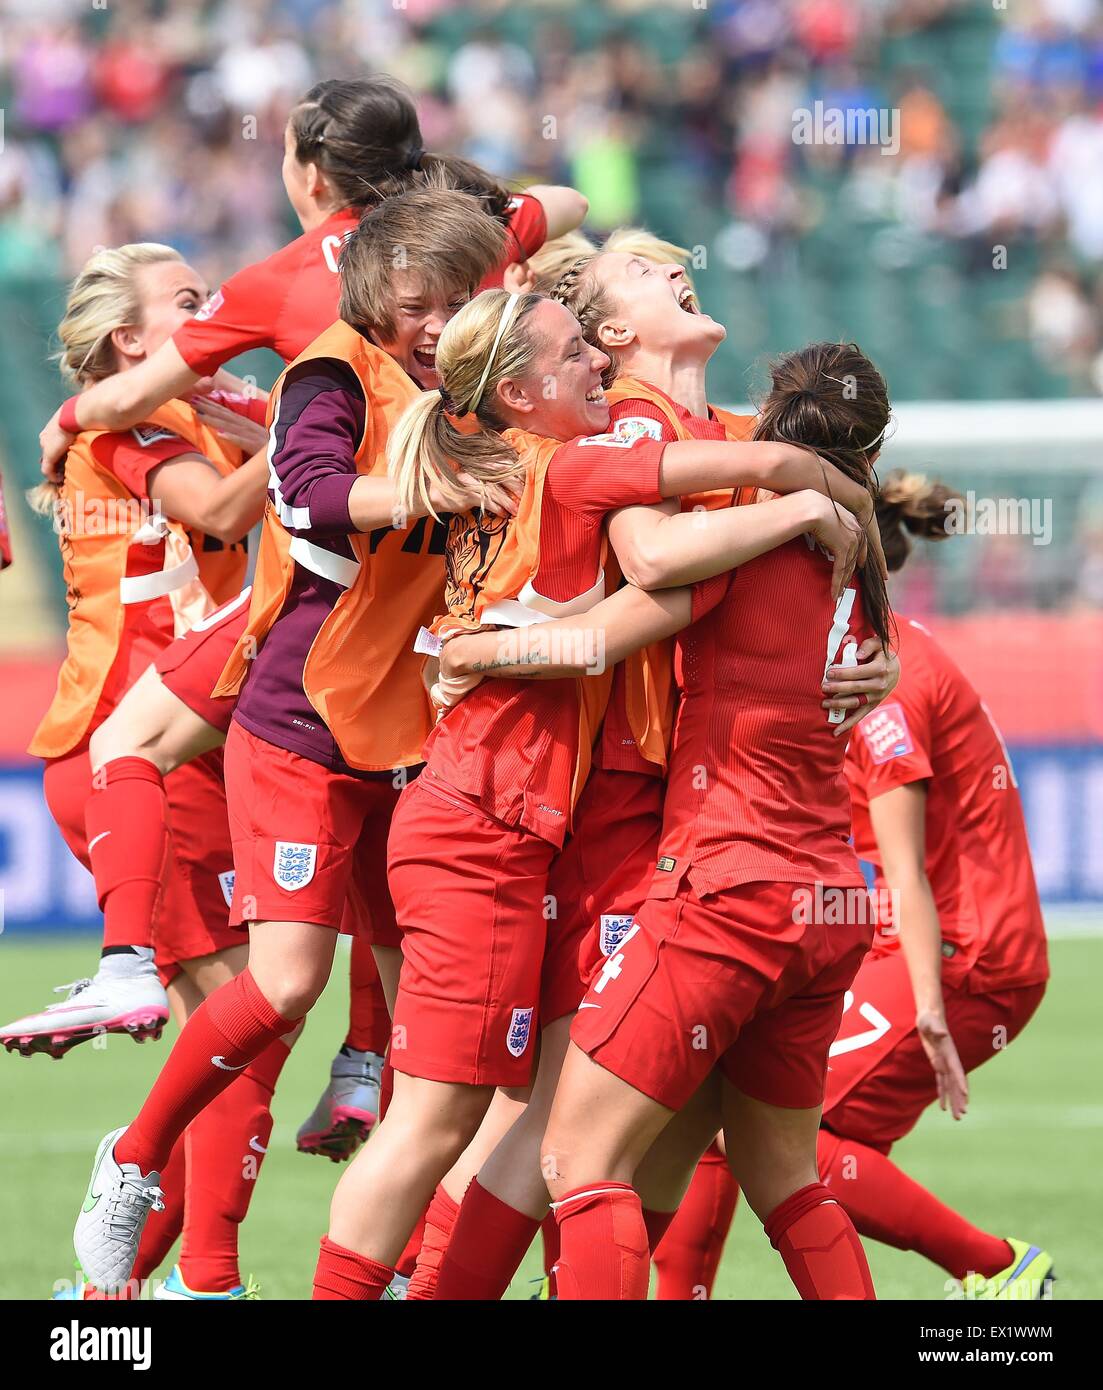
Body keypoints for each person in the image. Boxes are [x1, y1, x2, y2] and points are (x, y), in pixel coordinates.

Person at [22, 74, 584, 1161]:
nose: (199, 311)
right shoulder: (468, 255)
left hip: (312, 622)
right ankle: (237, 1119)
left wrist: (69, 414)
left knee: (309, 962)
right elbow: (560, 204)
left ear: (308, 173)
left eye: (195, 300)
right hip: (357, 631)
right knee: (307, 979)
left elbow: (244, 462)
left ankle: (146, 987)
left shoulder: (284, 287)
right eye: (176, 301)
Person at [309, 288, 873, 1301]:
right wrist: (806, 494)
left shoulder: (537, 457)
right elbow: (652, 581)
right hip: (481, 821)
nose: (597, 369)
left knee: (543, 1121)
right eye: (577, 351)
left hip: (534, 826)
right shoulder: (574, 460)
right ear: (522, 389)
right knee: (448, 1116)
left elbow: (634, 609)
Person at [68, 187, 508, 1295]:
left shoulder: (467, 388)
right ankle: (129, 1160)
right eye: (419, 301)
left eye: (456, 299)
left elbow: (543, 211)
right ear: (374, 294)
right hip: (301, 720)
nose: (438, 318)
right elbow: (306, 493)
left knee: (434, 1030)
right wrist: (430, 482)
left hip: (412, 745)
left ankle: (406, 1265)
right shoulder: (331, 370)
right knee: (282, 983)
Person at [482, 340, 894, 1300]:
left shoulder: (746, 534)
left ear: (768, 419)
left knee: (575, 1159)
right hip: (828, 901)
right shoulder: (861, 558)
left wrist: (475, 656)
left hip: (729, 884)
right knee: (786, 1179)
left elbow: (618, 614)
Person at [14, 242, 275, 1301]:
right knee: (241, 1019)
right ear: (130, 339)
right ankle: (180, 1266)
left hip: (186, 746)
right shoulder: (129, 425)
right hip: (131, 752)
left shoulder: (184, 412)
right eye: (186, 303)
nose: (211, 314)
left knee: (253, 1026)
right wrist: (315, 433)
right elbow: (220, 514)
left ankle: (127, 1294)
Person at [817, 470, 1053, 1301]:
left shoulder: (888, 677)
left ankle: (1000, 1270)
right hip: (954, 942)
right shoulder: (878, 650)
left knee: (781, 1130)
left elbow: (904, 868)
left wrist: (925, 1007)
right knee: (752, 1124)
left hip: (964, 955)